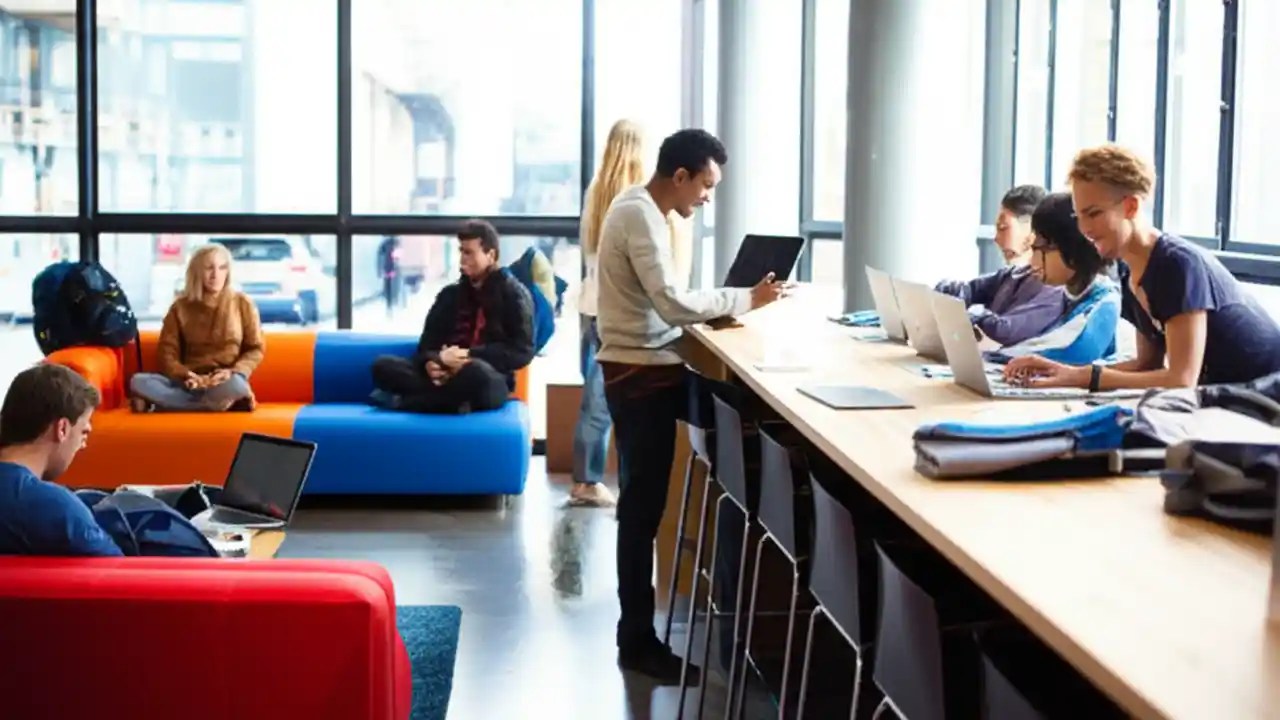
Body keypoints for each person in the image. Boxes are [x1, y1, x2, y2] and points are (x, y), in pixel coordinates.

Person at [595, 128, 784, 682]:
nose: (708, 197)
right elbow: (674, 303)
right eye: (706, 184)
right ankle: (637, 642)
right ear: (680, 177)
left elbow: (664, 303)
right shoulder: (639, 216)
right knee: (641, 513)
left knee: (741, 419)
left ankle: (728, 594)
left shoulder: (644, 212)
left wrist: (727, 306)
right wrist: (748, 298)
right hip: (641, 378)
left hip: (652, 369)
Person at [1006, 144, 1280, 390]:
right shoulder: (1127, 273)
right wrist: (1064, 373)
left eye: (1094, 214)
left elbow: (1181, 380)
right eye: (1079, 216)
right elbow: (1147, 365)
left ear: (1131, 207)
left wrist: (1079, 378)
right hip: (1226, 398)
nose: (1084, 228)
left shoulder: (1177, 264)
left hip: (1264, 400)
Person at [571, 119, 694, 508]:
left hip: (590, 308)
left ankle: (587, 479)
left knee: (597, 399)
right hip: (623, 316)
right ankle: (592, 484)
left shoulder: (597, 194)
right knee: (608, 403)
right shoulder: (640, 203)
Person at [370, 220, 534, 414]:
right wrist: (432, 363)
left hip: (487, 376)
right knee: (382, 366)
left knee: (478, 375)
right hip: (444, 374)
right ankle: (448, 403)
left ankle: (405, 403)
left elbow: (522, 352)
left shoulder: (513, 294)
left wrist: (468, 356)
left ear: (491, 255)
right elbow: (426, 346)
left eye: (469, 253)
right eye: (461, 252)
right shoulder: (449, 295)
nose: (462, 260)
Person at [0, 363, 122, 556]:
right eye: (83, 433)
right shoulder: (55, 509)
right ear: (62, 429)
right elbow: (123, 576)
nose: (83, 446)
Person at [988, 192, 1120, 366]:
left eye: (1040, 249)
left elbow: (1072, 350)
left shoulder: (1105, 301)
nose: (1033, 262)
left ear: (1071, 251)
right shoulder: (1067, 293)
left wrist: (999, 358)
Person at [130, 243, 264, 412]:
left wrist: (234, 372)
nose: (216, 275)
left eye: (222, 268)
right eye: (209, 268)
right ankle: (214, 405)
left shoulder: (242, 303)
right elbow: (167, 354)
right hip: (188, 383)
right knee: (139, 381)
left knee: (237, 385)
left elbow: (255, 349)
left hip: (225, 381)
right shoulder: (179, 308)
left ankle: (172, 406)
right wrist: (186, 375)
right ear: (197, 272)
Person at [934, 184, 1063, 346]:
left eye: (1003, 228)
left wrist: (973, 314)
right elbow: (965, 290)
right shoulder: (1013, 275)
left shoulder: (1054, 289)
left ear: (1033, 231)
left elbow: (1007, 331)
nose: (996, 239)